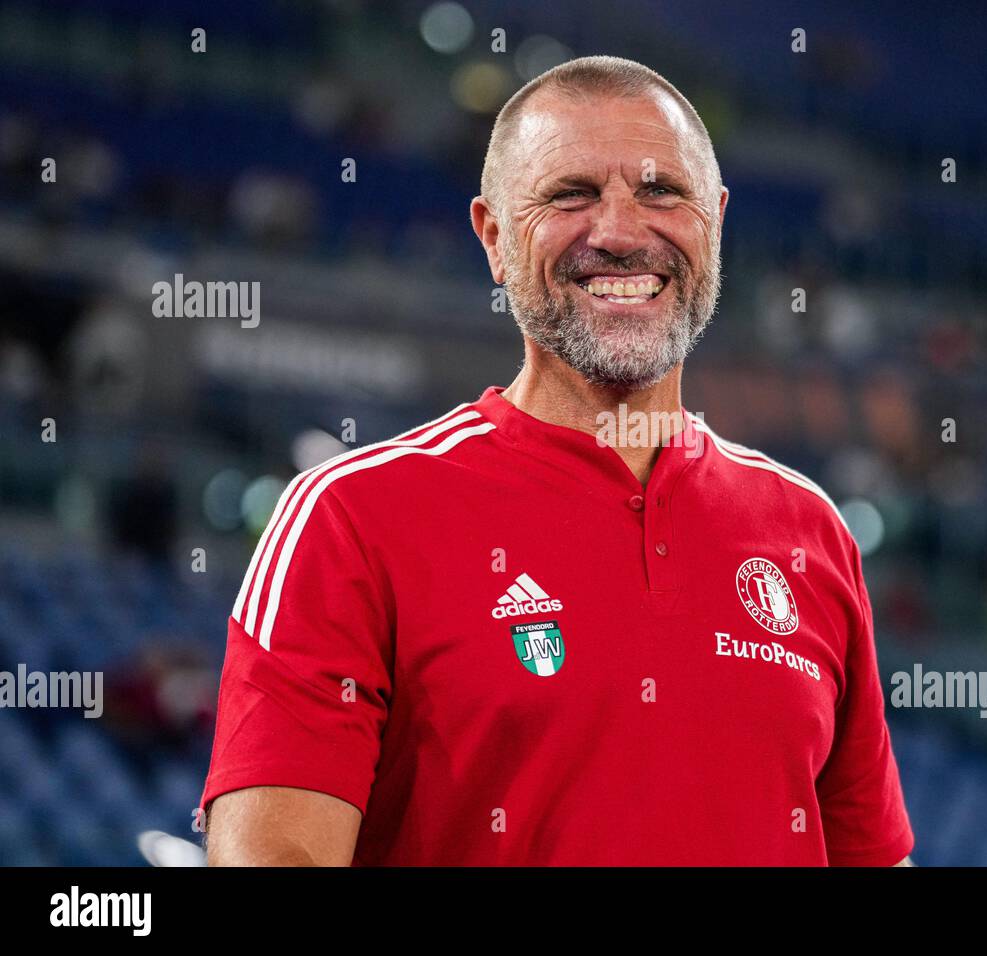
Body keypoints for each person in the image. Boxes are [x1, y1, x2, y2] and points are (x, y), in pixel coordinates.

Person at [202, 55, 914, 866]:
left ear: (713, 224)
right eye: (570, 195)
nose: (618, 232)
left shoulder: (810, 531)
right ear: (496, 239)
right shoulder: (348, 516)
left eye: (661, 193)